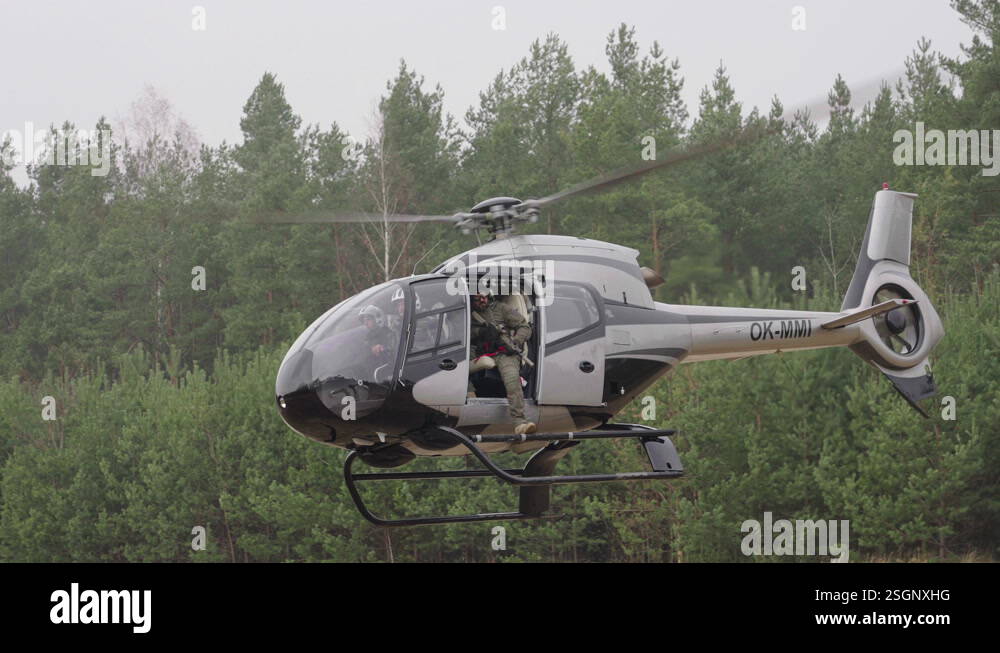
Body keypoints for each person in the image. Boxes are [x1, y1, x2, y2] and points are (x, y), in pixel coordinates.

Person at [469, 290, 536, 435]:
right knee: (454, 364)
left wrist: (515, 342)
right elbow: (461, 332)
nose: (482, 301)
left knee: (512, 378)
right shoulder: (468, 313)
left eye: (484, 298)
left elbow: (524, 327)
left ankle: (519, 422)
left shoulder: (501, 308)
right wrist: (480, 333)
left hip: (503, 352)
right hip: (479, 350)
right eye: (477, 299)